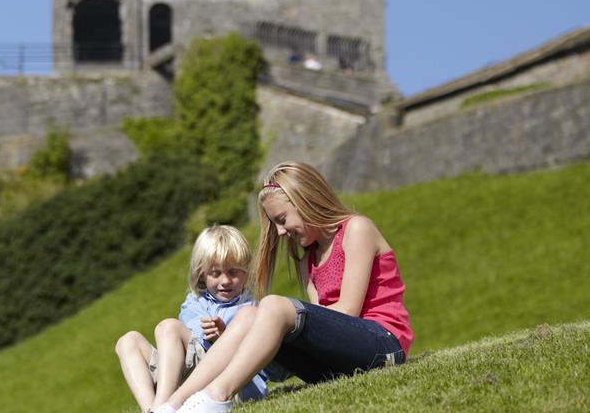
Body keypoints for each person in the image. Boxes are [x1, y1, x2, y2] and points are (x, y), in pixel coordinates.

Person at [152, 162, 412, 413]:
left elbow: (348, 311)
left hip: (383, 345)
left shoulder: (356, 228)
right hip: (338, 363)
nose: (281, 231)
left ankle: (216, 397)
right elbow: (324, 325)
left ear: (306, 201)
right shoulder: (307, 257)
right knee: (248, 315)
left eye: (282, 219)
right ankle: (173, 404)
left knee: (274, 306)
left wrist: (284, 319)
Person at [116, 225, 268, 413]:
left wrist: (223, 338)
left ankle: (163, 406)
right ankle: (151, 409)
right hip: (187, 378)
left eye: (233, 272)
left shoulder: (251, 309)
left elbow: (259, 377)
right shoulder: (194, 303)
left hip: (228, 384)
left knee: (169, 327)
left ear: (246, 272)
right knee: (128, 341)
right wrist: (208, 333)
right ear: (202, 275)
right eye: (215, 273)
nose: (225, 281)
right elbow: (190, 337)